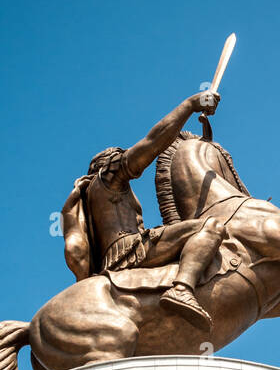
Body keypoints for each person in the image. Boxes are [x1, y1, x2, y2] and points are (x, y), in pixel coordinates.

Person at [61, 90, 227, 332]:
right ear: (106, 163)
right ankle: (182, 288)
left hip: (119, 255)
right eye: (119, 154)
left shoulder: (95, 194)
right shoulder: (108, 177)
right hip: (130, 251)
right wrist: (190, 105)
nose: (124, 156)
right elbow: (152, 143)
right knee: (210, 226)